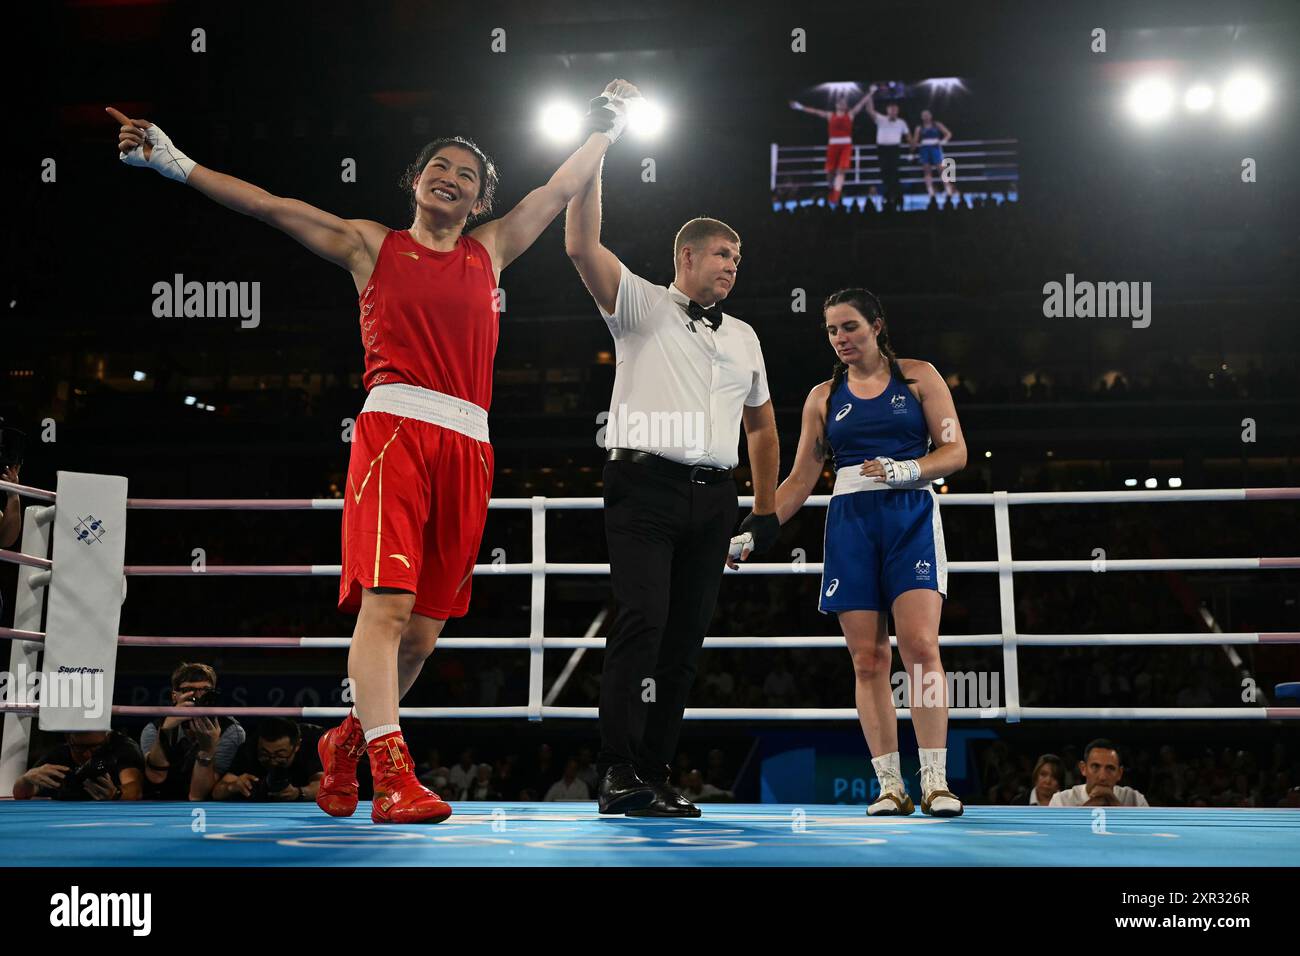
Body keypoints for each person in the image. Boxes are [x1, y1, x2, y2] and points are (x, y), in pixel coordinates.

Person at [108, 78, 639, 825]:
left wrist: (606, 127)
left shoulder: (491, 249)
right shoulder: (369, 244)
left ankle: (346, 745)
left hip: (471, 445)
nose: (451, 177)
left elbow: (558, 189)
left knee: (422, 637)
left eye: (467, 174)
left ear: (480, 200)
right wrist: (170, 159)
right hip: (393, 434)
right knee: (387, 611)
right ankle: (393, 777)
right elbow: (268, 205)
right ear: (413, 181)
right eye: (440, 165)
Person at [566, 167, 779, 818]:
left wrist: (765, 511)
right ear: (686, 256)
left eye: (738, 258)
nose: (732, 266)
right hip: (644, 486)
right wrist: (593, 159)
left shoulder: (743, 335)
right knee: (642, 624)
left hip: (715, 498)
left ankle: (654, 773)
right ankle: (617, 772)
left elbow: (763, 425)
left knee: (685, 643)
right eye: (722, 253)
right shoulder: (641, 303)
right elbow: (580, 245)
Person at [732, 288, 967, 816]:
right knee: (867, 659)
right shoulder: (823, 397)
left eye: (851, 327)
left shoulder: (919, 376)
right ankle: (890, 785)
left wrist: (908, 469)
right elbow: (800, 478)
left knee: (921, 646)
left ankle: (935, 781)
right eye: (833, 330)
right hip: (850, 526)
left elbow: (956, 452)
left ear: (877, 326)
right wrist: (756, 527)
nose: (841, 338)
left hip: (910, 518)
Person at [140, 662, 245, 800]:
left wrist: (207, 751)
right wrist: (165, 731)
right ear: (174, 696)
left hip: (209, 810)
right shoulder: (153, 729)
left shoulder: (230, 731)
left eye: (205, 690)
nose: (198, 696)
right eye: (188, 690)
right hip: (163, 803)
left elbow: (198, 796)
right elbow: (156, 777)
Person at [789, 91, 872, 205]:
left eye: (843, 102)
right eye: (839, 102)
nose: (841, 104)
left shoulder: (850, 114)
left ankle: (835, 197)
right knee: (830, 172)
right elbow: (815, 112)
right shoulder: (830, 115)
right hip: (833, 145)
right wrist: (800, 107)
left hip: (846, 145)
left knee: (841, 171)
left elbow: (861, 103)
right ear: (836, 105)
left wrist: (871, 92)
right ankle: (831, 189)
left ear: (846, 105)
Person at [13, 730, 145, 801]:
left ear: (107, 737)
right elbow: (21, 794)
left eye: (95, 747)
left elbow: (135, 788)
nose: (88, 754)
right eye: (81, 748)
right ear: (69, 739)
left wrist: (116, 794)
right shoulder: (59, 755)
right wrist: (25, 779)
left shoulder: (122, 748)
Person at [213, 718, 323, 802]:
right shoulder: (250, 748)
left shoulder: (313, 745)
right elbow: (217, 792)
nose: (273, 761)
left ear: (297, 746)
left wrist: (299, 793)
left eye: (280, 755)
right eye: (265, 754)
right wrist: (233, 786)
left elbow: (324, 785)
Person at [1049, 739, 1150, 807]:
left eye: (1110, 768)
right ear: (1083, 768)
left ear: (1120, 773)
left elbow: (1147, 837)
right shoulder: (1061, 801)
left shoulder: (1135, 799)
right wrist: (1090, 805)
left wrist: (1113, 800)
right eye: (1095, 767)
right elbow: (1057, 837)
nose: (1102, 777)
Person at [862, 86, 910, 209]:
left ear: (897, 111)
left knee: (895, 173)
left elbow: (908, 137)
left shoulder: (901, 122)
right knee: (885, 174)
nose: (893, 111)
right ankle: (888, 196)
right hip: (882, 149)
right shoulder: (881, 119)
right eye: (891, 109)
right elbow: (869, 109)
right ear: (887, 110)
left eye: (895, 109)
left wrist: (913, 147)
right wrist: (871, 94)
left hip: (895, 148)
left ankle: (898, 197)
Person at [910, 110, 958, 202]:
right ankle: (931, 193)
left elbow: (948, 134)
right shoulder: (919, 127)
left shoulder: (937, 124)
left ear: (931, 116)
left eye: (927, 115)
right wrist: (911, 152)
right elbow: (915, 140)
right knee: (927, 171)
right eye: (924, 115)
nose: (926, 117)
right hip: (924, 149)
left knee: (942, 170)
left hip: (936, 148)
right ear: (921, 117)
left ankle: (948, 191)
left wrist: (943, 141)